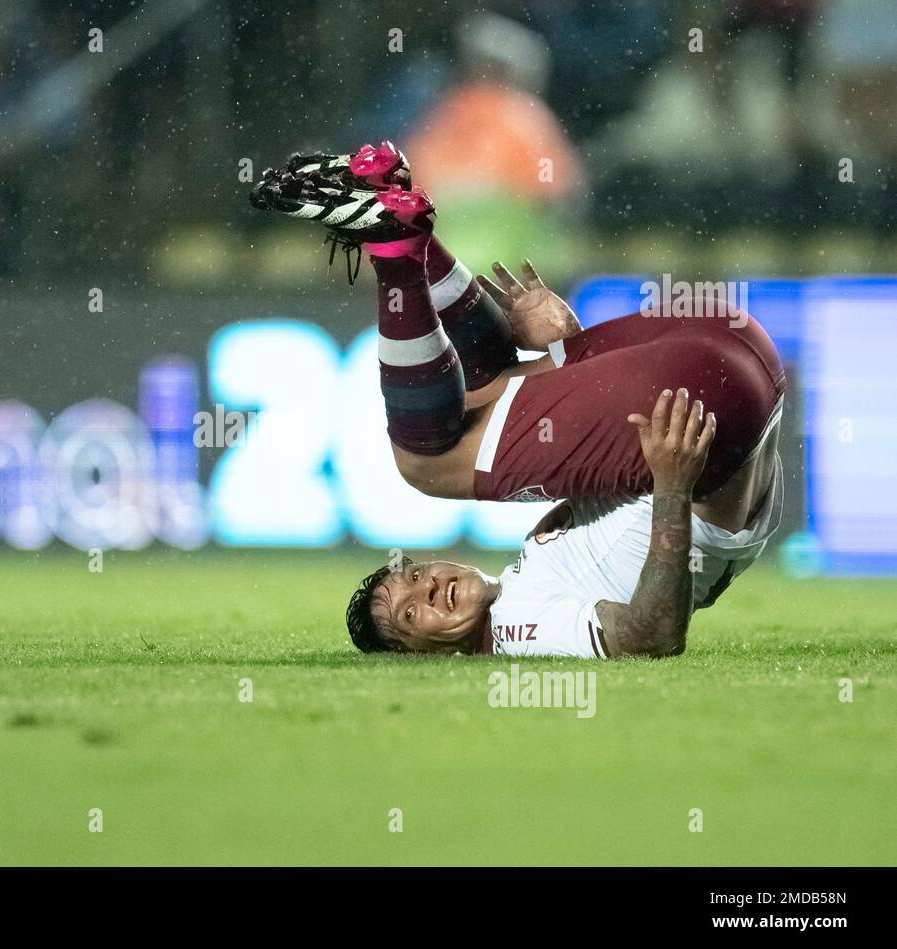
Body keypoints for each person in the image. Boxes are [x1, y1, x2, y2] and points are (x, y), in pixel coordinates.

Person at [249, 143, 785, 658]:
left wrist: (566, 349)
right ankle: (395, 247)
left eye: (413, 578)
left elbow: (597, 445)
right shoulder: (516, 633)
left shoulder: (534, 567)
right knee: (425, 465)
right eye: (411, 617)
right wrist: (671, 487)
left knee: (478, 396)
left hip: (732, 368)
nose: (427, 592)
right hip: (715, 389)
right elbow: (650, 640)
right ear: (429, 656)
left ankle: (397, 214)